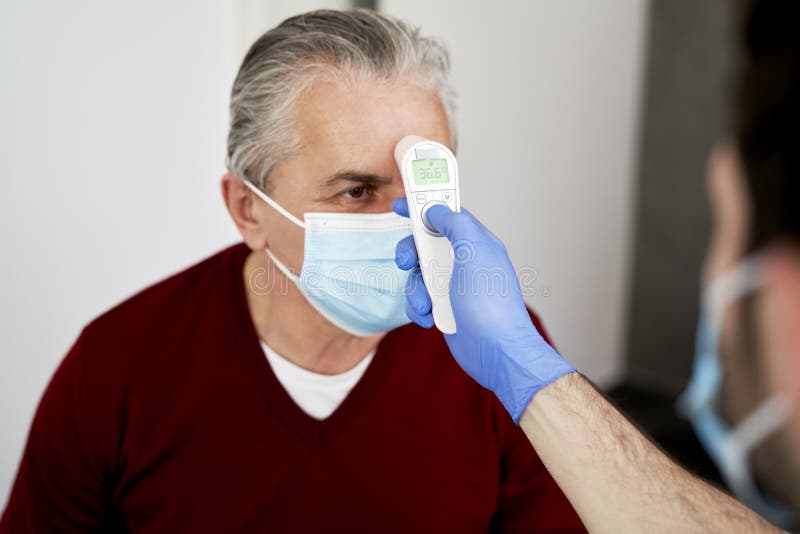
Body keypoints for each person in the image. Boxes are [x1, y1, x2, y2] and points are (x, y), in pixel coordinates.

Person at [0, 10, 585, 533]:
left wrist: (531, 375)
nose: (408, 223)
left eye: (427, 189)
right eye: (356, 191)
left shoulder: (498, 346)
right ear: (247, 209)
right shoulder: (115, 368)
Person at [392, 0, 799, 531]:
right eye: (354, 190)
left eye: (723, 222)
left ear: (782, 292)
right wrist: (524, 369)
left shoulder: (502, 347)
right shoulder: (498, 342)